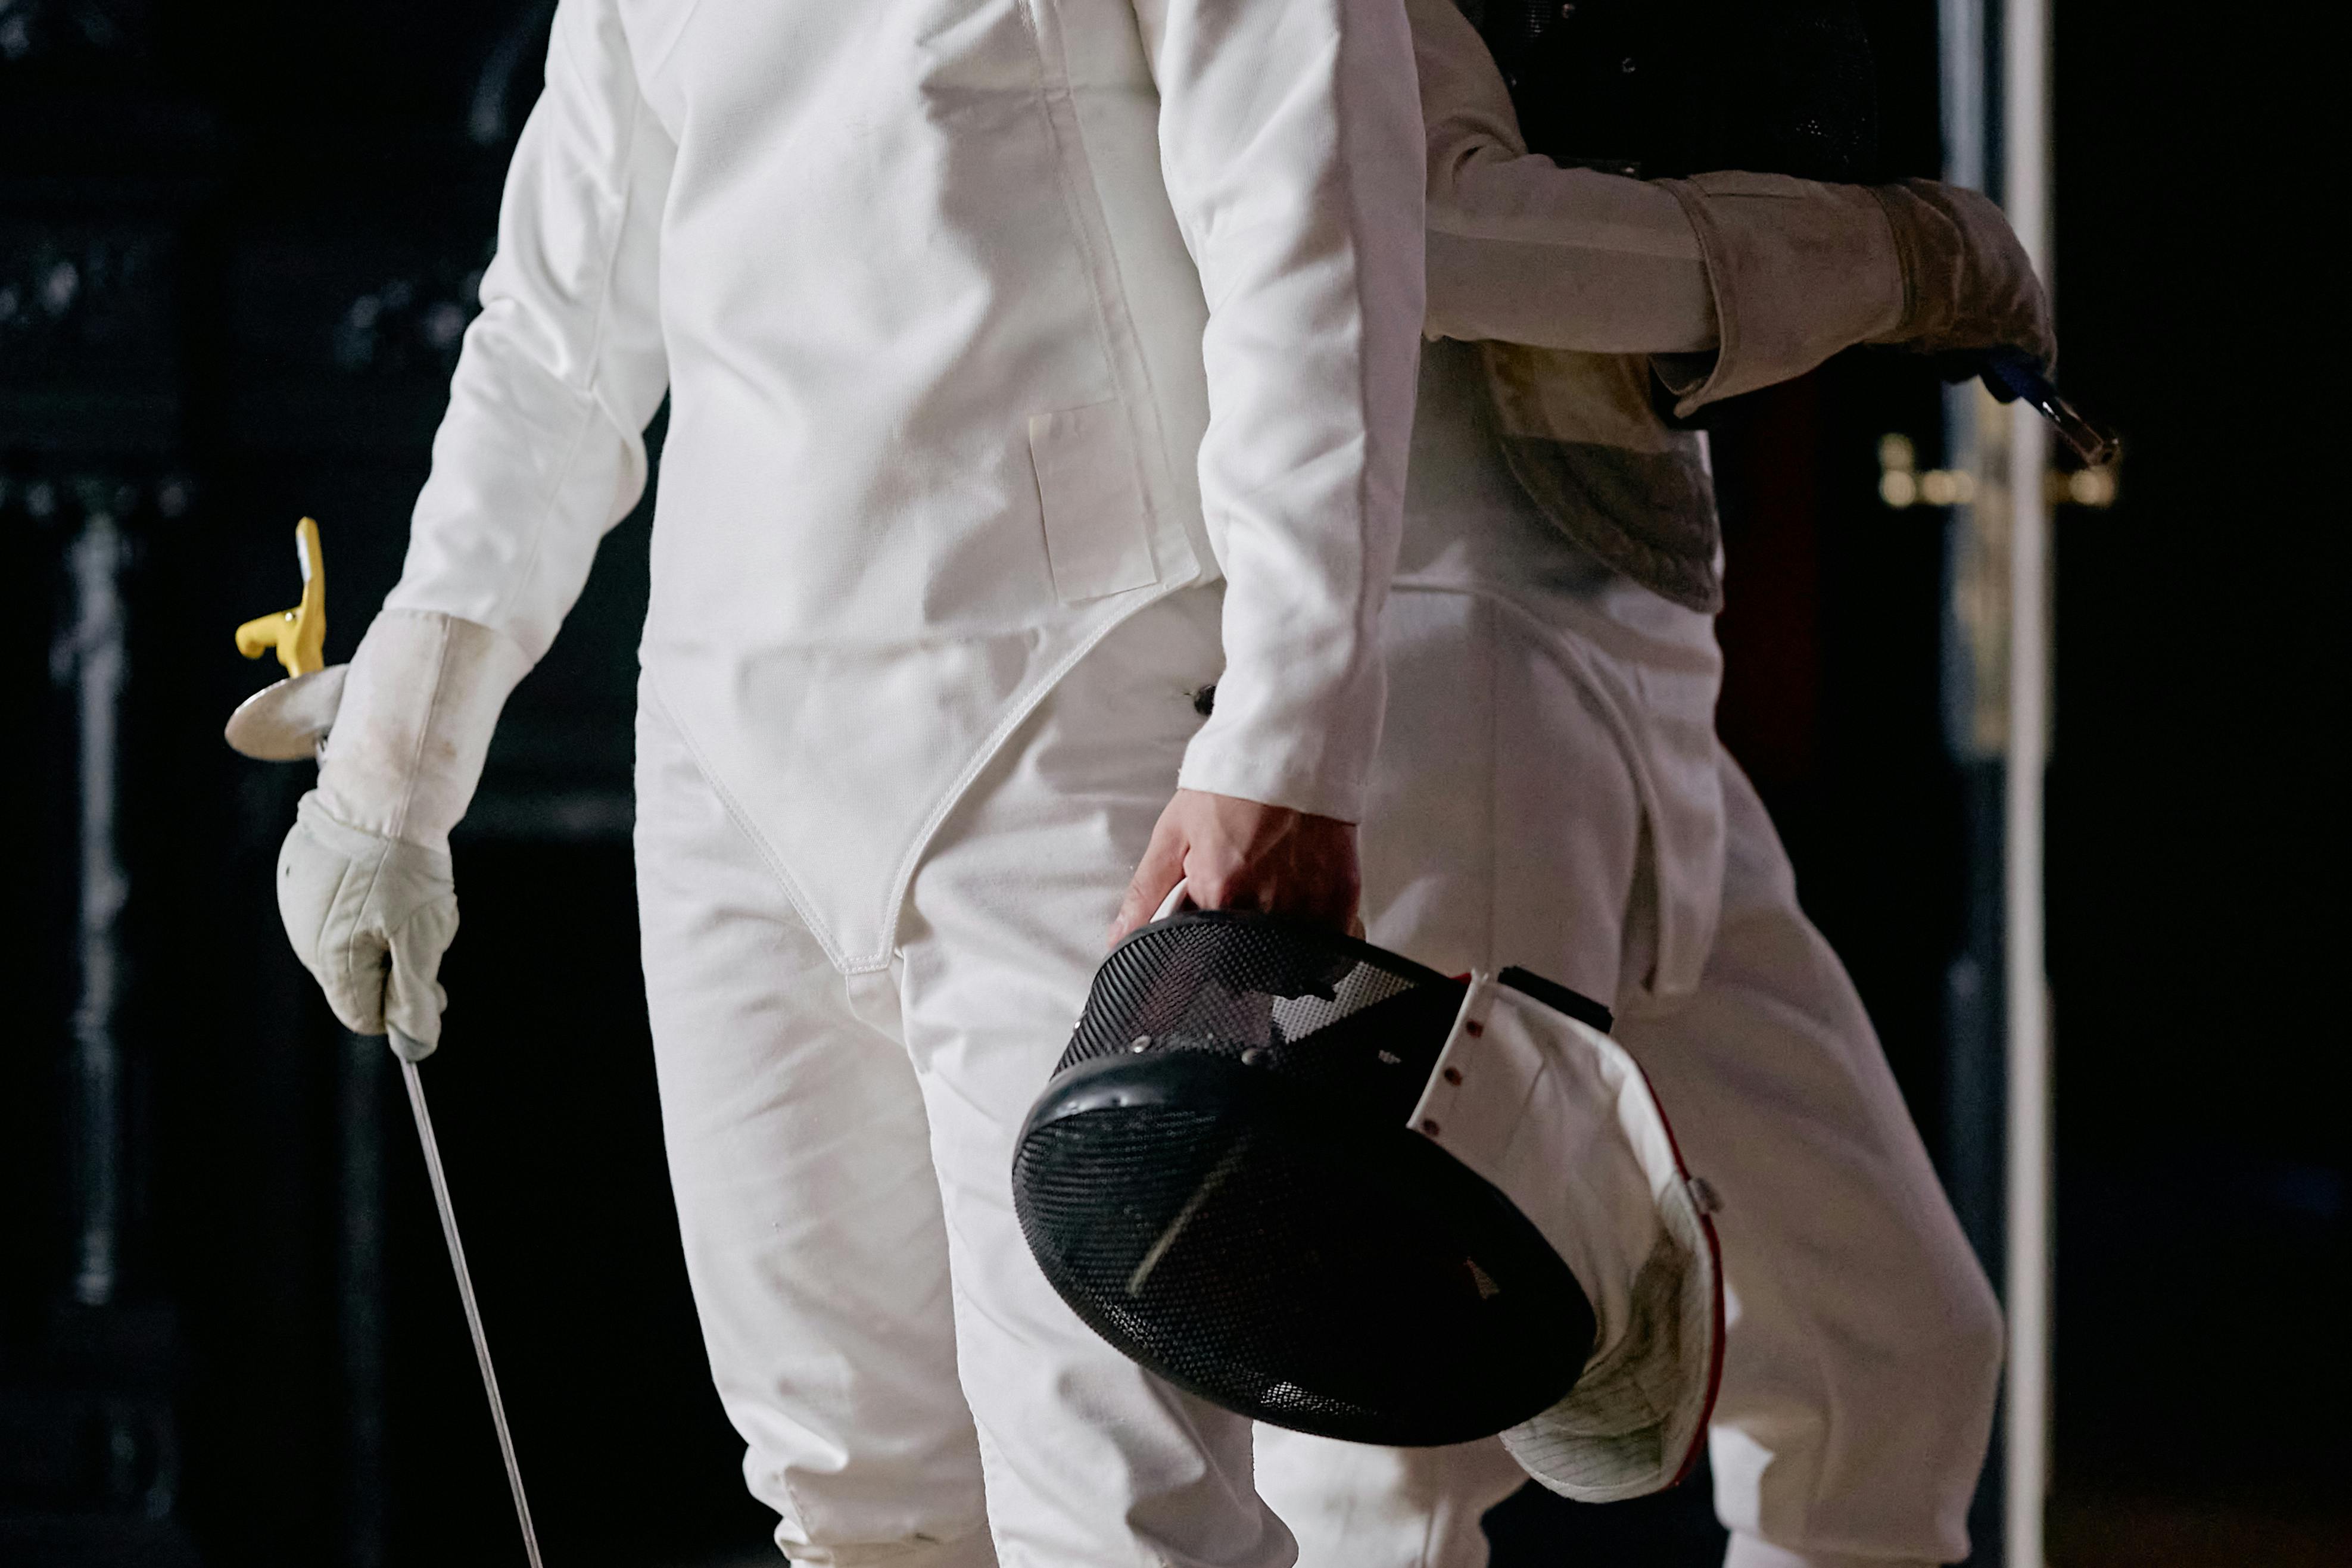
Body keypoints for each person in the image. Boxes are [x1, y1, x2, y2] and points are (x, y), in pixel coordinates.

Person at [269, 0, 1430, 1561]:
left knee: (1124, 1507)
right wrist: (395, 758)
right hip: (724, 758)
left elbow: (1312, 208)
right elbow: (563, 312)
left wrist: (1292, 737)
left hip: (1069, 717)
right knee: (838, 1488)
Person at [1248, 2, 2052, 1566]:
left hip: (1636, 660)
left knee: (1889, 1340)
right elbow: (1435, 225)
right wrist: (1885, 260)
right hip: (1449, 651)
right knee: (1394, 1441)